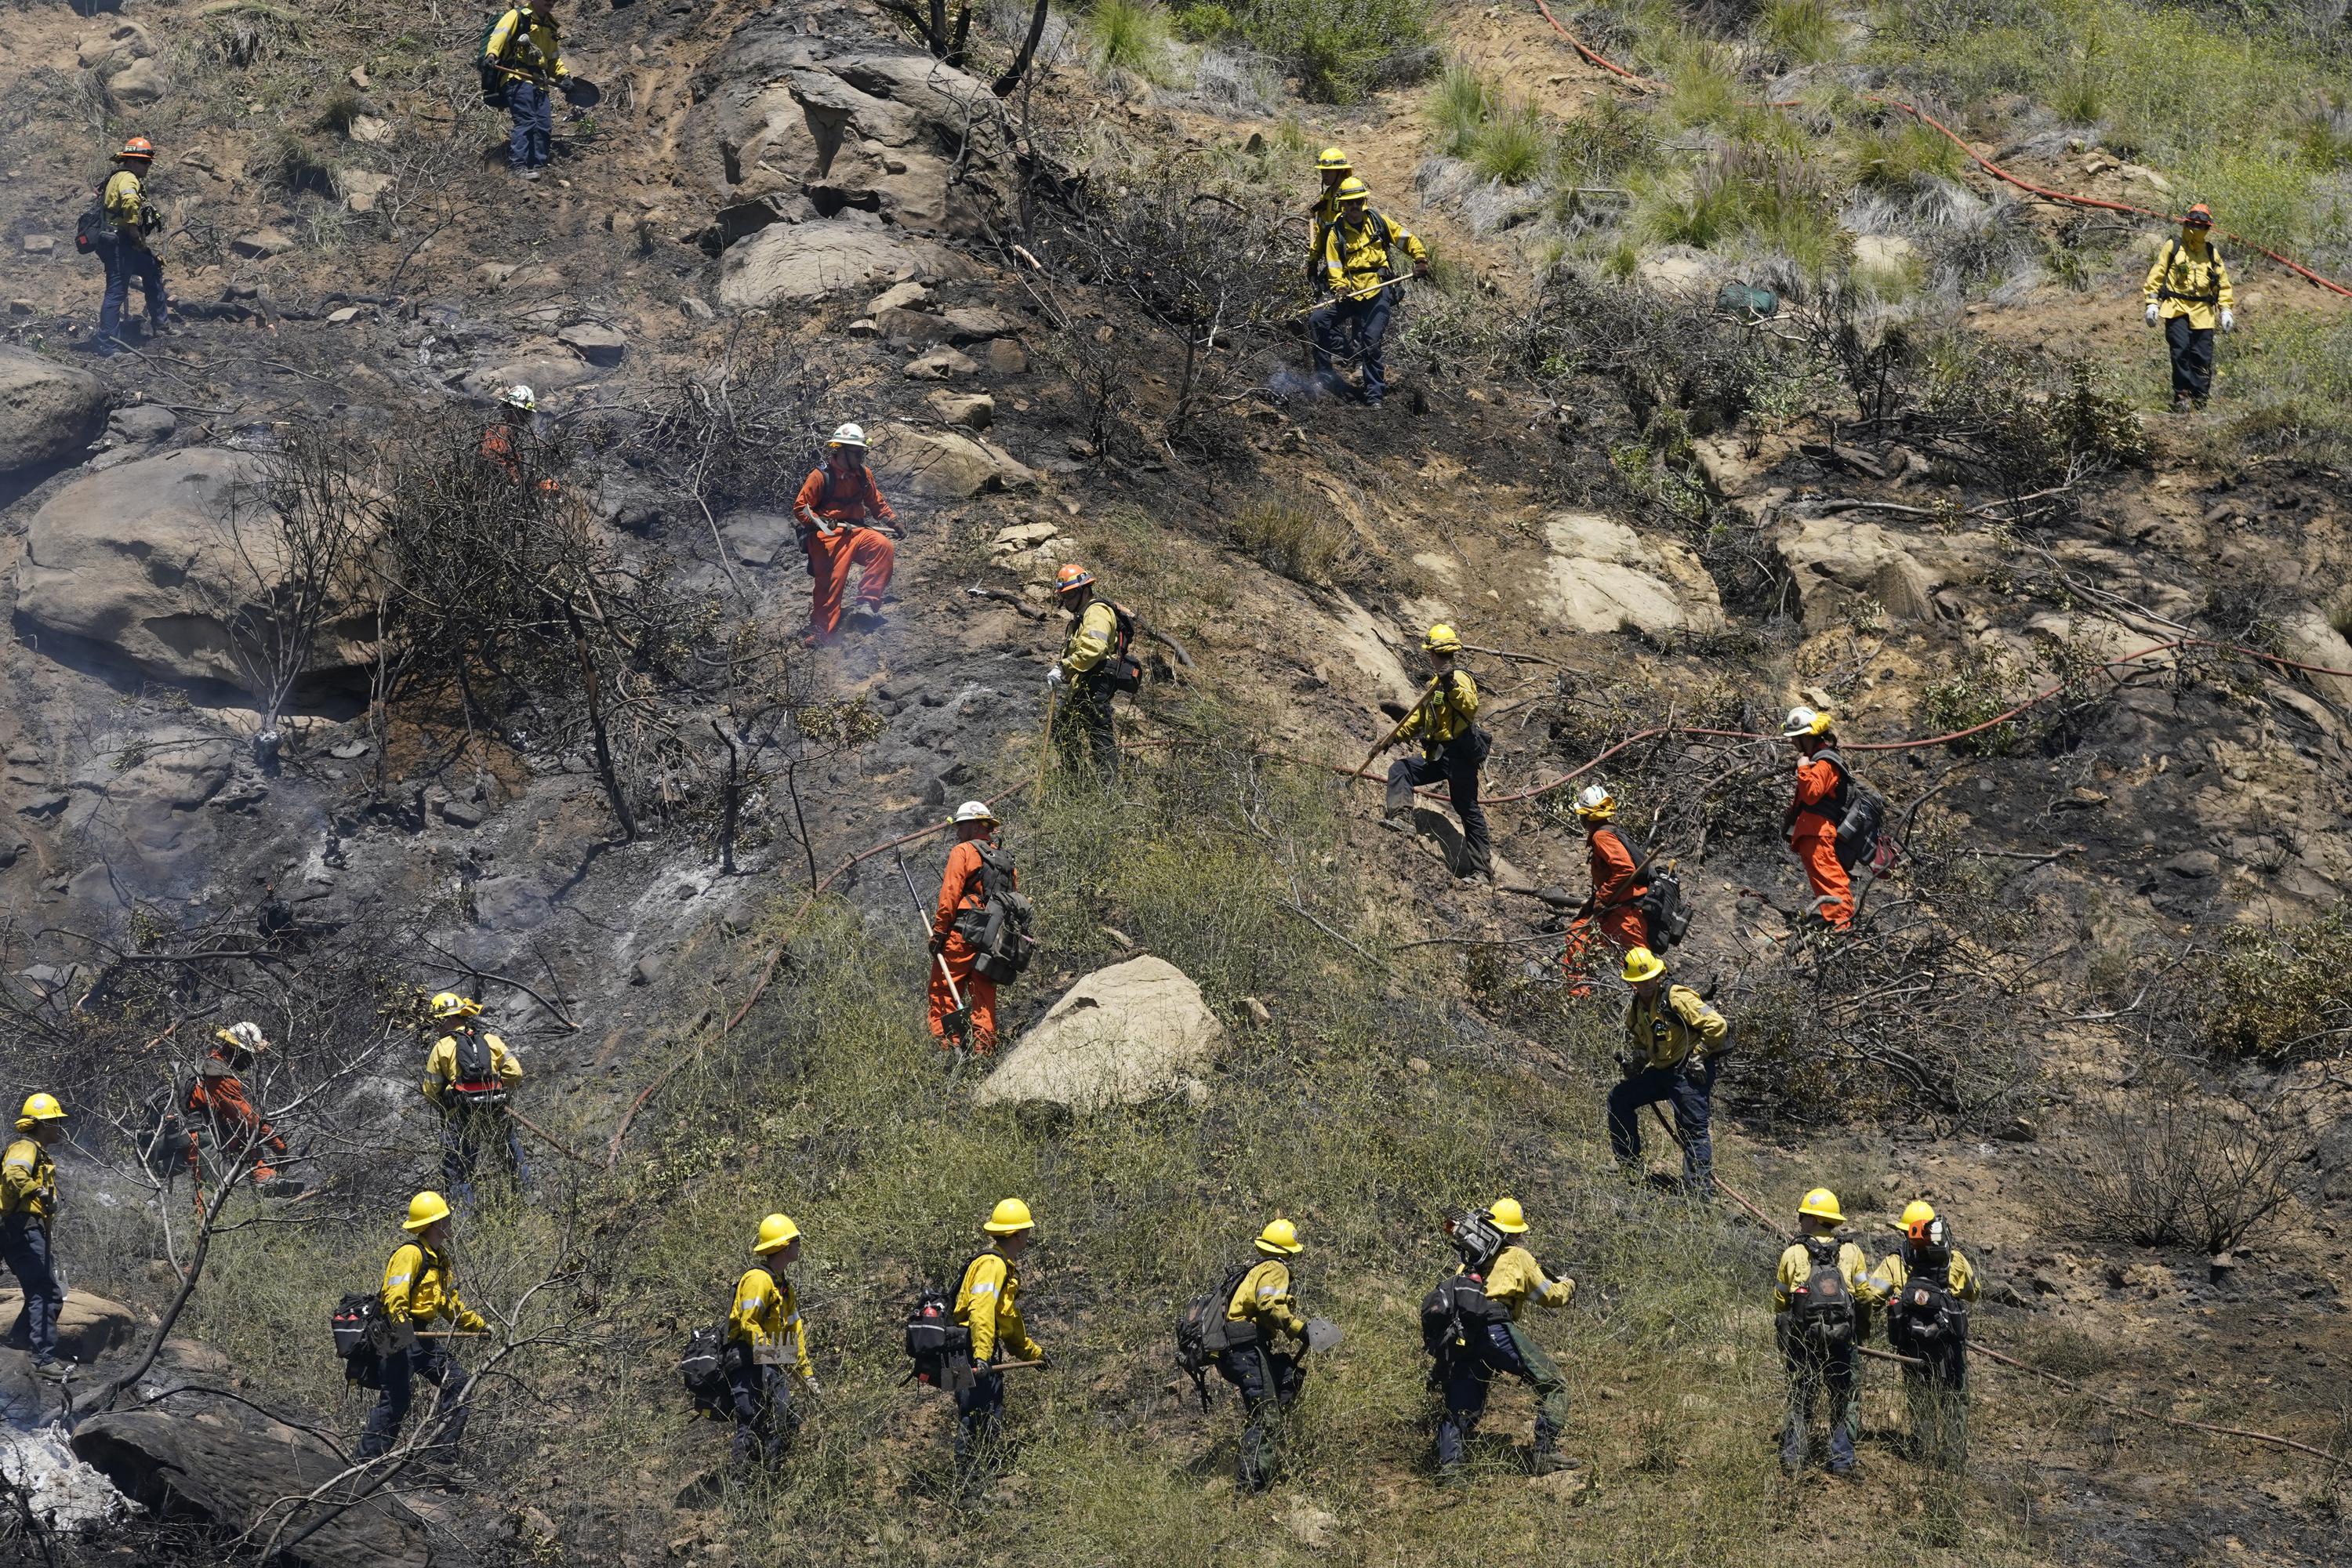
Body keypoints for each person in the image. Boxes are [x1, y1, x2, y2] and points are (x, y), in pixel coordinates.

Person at [1433, 1198, 1578, 1480]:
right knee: (1554, 1384)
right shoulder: (1517, 1257)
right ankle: (1544, 1453)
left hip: (1465, 1335)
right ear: (1514, 1233)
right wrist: (1570, 1285)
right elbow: (1550, 1296)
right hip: (1496, 1331)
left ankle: (1451, 1472)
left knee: (1462, 1406)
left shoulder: (1469, 1263)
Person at [358, 1191, 487, 1461]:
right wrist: (404, 1334)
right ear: (434, 1224)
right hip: (396, 1333)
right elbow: (395, 1297)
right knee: (397, 1400)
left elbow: (450, 1306)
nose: (450, 1222)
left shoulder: (441, 1260)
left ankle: (440, 1458)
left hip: (423, 1335)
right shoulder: (410, 1254)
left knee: (458, 1384)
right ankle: (366, 1464)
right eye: (446, 1218)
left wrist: (479, 1326)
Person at [1773, 1187, 1879, 1477]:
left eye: (1802, 1216)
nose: (1799, 1222)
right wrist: (1860, 1329)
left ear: (1814, 1219)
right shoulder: (1852, 1251)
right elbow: (1865, 1295)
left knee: (1801, 1397)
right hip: (1842, 1339)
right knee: (1842, 1398)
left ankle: (1794, 1458)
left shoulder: (1793, 1253)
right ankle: (1842, 1462)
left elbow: (1781, 1300)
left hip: (1804, 1341)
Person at [1607, 947, 1729, 1194]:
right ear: (1633, 983)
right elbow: (1641, 1042)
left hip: (1689, 1069)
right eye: (1641, 981)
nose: (1647, 984)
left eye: (1650, 978)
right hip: (1663, 1071)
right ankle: (1629, 1166)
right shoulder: (1637, 1008)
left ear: (1658, 975)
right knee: (1620, 1097)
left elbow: (1717, 1025)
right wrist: (1636, 1065)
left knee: (1692, 1126)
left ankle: (1699, 1194)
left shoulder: (1676, 997)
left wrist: (1699, 1054)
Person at [1870, 1201, 1980, 1469]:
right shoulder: (1956, 1260)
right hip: (1950, 1346)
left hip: (1912, 1345)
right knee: (1955, 1397)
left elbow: (1872, 1295)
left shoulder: (1895, 1262)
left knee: (1920, 1397)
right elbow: (1974, 1292)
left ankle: (1923, 1451)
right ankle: (1953, 1460)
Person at [1381, 623, 1490, 880]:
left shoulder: (1459, 679)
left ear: (1433, 652)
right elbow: (1419, 718)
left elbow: (1470, 706)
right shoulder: (1434, 683)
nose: (1429, 656)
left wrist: (1450, 683)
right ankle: (1402, 819)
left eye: (1430, 652)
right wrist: (1393, 737)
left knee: (1467, 808)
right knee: (1401, 770)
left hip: (1460, 757)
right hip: (1437, 755)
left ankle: (1481, 871)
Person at [1308, 176, 1428, 407]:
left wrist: (1420, 259)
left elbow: (1406, 239)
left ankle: (1374, 396)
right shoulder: (1336, 233)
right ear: (1342, 205)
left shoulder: (1378, 222)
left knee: (1371, 341)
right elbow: (1334, 267)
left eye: (1358, 201)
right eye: (1349, 203)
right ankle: (1325, 376)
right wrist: (1340, 287)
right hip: (1350, 293)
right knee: (1318, 320)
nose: (1354, 207)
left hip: (1379, 291)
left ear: (1363, 201)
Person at [951, 1198, 1047, 1467]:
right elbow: (981, 1311)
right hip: (971, 1353)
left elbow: (1008, 1322)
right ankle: (971, 1489)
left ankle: (974, 1482)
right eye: (1026, 1230)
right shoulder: (993, 1265)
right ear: (1016, 1235)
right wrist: (982, 1357)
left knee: (973, 1414)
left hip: (966, 1351)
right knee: (978, 1416)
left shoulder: (999, 1265)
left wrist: (1034, 1353)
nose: (1029, 1235)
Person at [1217, 1219, 1311, 1492]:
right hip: (1247, 1349)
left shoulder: (1256, 1269)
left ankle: (1264, 1462)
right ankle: (1250, 1489)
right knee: (1265, 1416)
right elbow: (1269, 1305)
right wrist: (1299, 1329)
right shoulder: (1276, 1268)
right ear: (1288, 1250)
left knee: (1286, 1377)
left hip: (1236, 1351)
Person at [792, 424, 902, 646]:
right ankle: (822, 632)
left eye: (862, 452)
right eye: (857, 452)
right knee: (831, 581)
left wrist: (893, 521)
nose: (861, 456)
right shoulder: (820, 476)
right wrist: (821, 522)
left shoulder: (863, 474)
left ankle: (867, 604)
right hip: (827, 536)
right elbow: (801, 507)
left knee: (882, 546)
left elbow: (875, 502)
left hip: (856, 531)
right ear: (841, 450)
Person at [726, 1213, 818, 1465]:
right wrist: (771, 1356)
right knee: (751, 1422)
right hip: (746, 1356)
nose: (800, 1245)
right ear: (785, 1246)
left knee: (786, 1418)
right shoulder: (758, 1279)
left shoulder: (784, 1288)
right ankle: (742, 1493)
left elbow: (794, 1336)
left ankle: (772, 1475)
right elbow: (748, 1323)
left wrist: (806, 1376)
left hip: (766, 1356)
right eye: (797, 1239)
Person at [419, 993, 528, 1200]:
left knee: (459, 1174)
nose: (436, 1027)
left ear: (449, 1019)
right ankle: (528, 1201)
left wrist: (447, 1104)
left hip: (460, 1118)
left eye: (438, 1022)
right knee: (513, 1159)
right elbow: (516, 1073)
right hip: (495, 1110)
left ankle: (463, 1223)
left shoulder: (441, 1048)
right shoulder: (490, 1040)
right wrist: (493, 1090)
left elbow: (430, 1092)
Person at [930, 800, 1014, 1053]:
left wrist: (939, 932)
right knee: (984, 994)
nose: (957, 833)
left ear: (976, 825)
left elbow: (950, 895)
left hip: (962, 934)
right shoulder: (1005, 858)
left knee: (943, 989)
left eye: (961, 826)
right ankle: (984, 1051)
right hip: (994, 937)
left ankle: (949, 1049)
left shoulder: (963, 851)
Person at [1044, 564, 1132, 782]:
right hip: (1084, 683)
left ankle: (1107, 792)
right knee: (1063, 730)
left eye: (1072, 594)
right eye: (1064, 596)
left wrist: (1064, 666)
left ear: (1085, 590)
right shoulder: (1081, 617)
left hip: (1096, 682)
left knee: (1100, 738)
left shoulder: (1096, 611)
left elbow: (1094, 648)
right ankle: (1076, 782)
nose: (1068, 601)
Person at [2142, 204, 2234, 411]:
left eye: (2203, 225)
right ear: (2187, 223)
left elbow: (2222, 282)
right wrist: (2152, 303)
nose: (2198, 228)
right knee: (2180, 350)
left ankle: (2201, 400)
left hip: (2203, 312)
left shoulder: (2211, 252)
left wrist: (2226, 309)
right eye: (2194, 224)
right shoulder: (2173, 246)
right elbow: (2157, 274)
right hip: (2176, 308)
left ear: (2208, 227)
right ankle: (2182, 397)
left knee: (2202, 356)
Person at [1, 1095, 68, 1370]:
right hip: (20, 1228)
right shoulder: (25, 1147)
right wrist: (39, 1191)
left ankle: (17, 1344)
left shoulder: (37, 1150)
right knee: (44, 1291)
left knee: (43, 1290)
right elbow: (14, 1174)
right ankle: (43, 1358)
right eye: (55, 1123)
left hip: (21, 1227)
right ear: (42, 1124)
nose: (59, 1129)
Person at [186, 1022, 292, 1189]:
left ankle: (263, 1178)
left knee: (247, 1136)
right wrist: (279, 1146)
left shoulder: (215, 1065)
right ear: (235, 1050)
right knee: (208, 1192)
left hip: (213, 1131)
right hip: (201, 1135)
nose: (250, 1060)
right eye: (248, 1054)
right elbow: (246, 1118)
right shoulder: (218, 1073)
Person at [1781, 706, 1853, 931]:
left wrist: (1803, 770)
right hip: (1811, 832)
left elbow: (1811, 795)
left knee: (1829, 878)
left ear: (1806, 737)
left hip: (1819, 831)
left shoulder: (1826, 762)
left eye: (1795, 738)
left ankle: (1842, 926)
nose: (1793, 744)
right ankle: (1832, 919)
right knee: (1822, 878)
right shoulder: (1817, 759)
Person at [95, 136, 169, 354]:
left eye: (149, 163)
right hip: (122, 243)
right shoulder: (128, 178)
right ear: (133, 161)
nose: (148, 167)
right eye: (145, 163)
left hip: (125, 243)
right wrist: (133, 228)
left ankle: (161, 325)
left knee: (152, 269)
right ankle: (107, 345)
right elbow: (129, 201)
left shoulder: (118, 177)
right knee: (116, 292)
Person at [484, 0, 569, 180]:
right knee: (526, 121)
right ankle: (519, 167)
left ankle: (539, 166)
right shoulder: (518, 16)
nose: (551, 2)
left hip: (539, 82)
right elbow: (499, 36)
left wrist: (564, 76)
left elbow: (553, 59)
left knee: (543, 125)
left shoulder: (550, 26)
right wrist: (492, 54)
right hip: (517, 77)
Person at [1571, 784, 1650, 956]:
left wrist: (1602, 898)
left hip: (1625, 911)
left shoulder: (1602, 836)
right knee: (1578, 935)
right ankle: (1581, 983)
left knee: (1641, 962)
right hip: (1618, 907)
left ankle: (1659, 983)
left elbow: (1625, 869)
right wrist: (1594, 902)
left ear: (1586, 816)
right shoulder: (1610, 832)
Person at [1306, 147, 1352, 288]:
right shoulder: (1327, 197)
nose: (1323, 174)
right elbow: (1319, 230)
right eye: (1322, 171)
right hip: (1334, 261)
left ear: (1340, 171)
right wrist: (1313, 260)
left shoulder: (1351, 194)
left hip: (1351, 263)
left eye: (1327, 171)